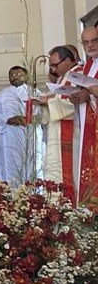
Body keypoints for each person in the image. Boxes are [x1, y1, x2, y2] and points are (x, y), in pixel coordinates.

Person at [31, 46, 78, 194]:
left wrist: (48, 102)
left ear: (68, 60)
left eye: (55, 65)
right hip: (57, 128)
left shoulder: (77, 75)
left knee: (66, 171)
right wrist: (46, 101)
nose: (53, 69)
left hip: (69, 129)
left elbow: (73, 103)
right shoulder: (64, 77)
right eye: (51, 66)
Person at [0, 66, 32, 185]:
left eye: (18, 74)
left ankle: (31, 191)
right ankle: (10, 192)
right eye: (12, 75)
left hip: (29, 133)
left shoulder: (33, 92)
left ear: (26, 76)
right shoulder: (1, 95)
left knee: (30, 162)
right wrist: (7, 120)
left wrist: (28, 119)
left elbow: (42, 114)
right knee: (9, 163)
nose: (15, 77)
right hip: (9, 134)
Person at [69, 26, 98, 202]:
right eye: (86, 42)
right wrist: (80, 96)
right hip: (88, 123)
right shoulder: (88, 65)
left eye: (94, 40)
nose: (90, 45)